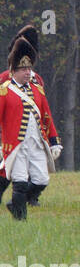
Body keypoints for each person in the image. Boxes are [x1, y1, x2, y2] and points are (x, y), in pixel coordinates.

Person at [0, 34, 59, 220]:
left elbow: (47, 116)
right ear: (13, 71)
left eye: (29, 68)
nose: (28, 72)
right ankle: (21, 219)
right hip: (15, 145)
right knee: (19, 181)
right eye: (23, 69)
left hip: (36, 143)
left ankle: (14, 204)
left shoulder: (37, 90)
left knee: (42, 179)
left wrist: (53, 140)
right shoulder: (4, 90)